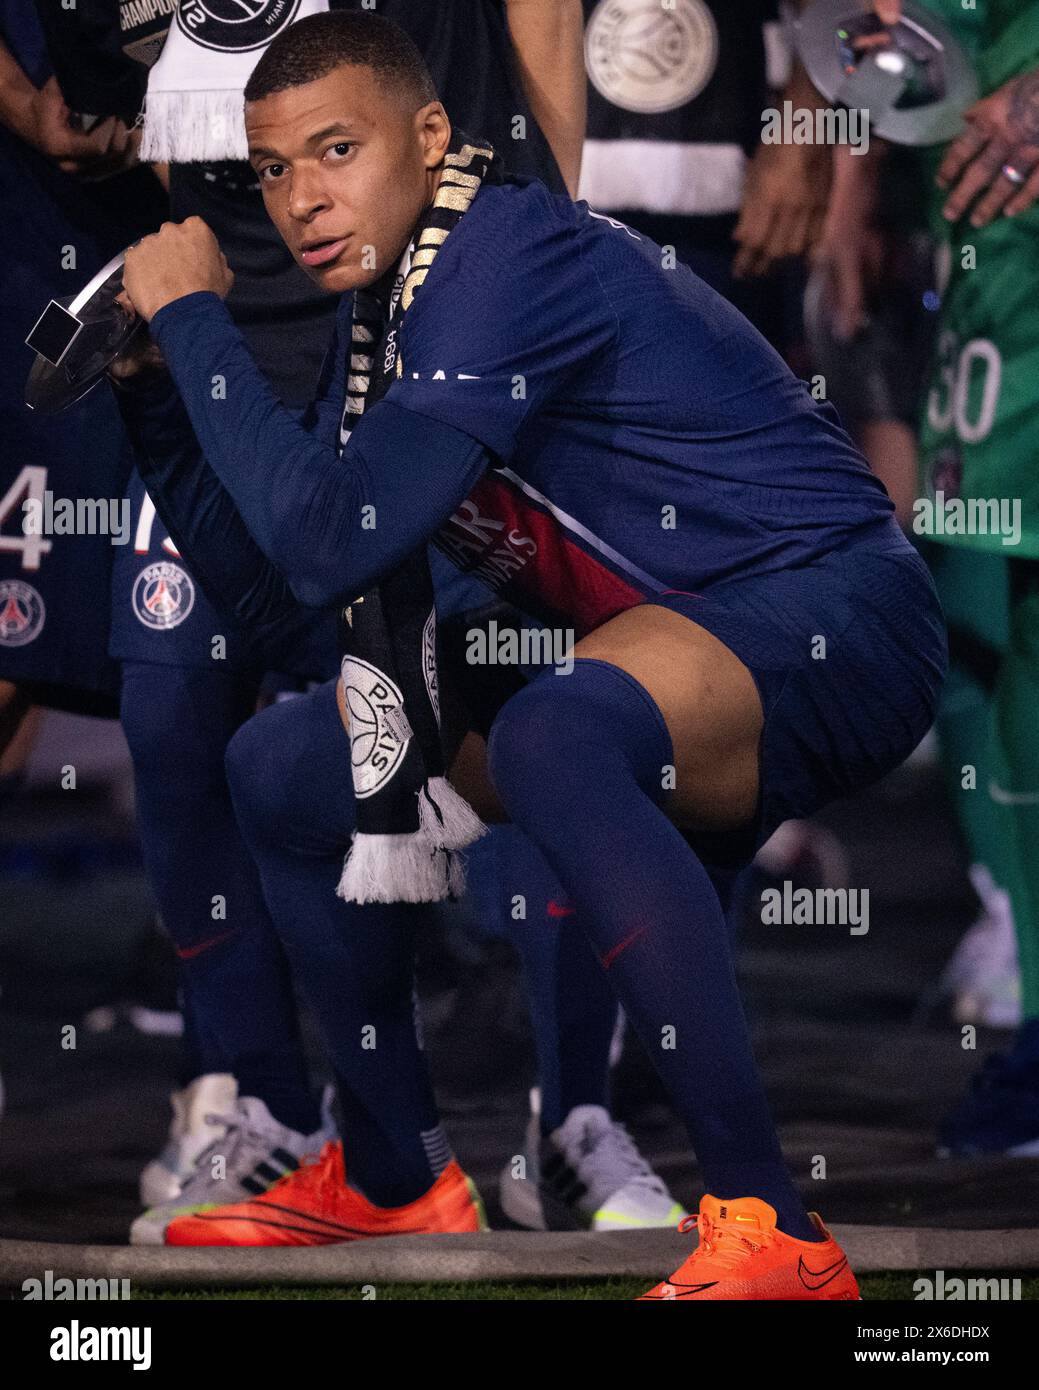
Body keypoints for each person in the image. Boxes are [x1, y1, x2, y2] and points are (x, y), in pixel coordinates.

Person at [111, 11, 944, 1298]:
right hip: (654, 633)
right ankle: (394, 1177)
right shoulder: (383, 306)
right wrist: (158, 391)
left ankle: (771, 1224)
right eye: (275, 169)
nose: (305, 199)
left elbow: (331, 543)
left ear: (433, 134)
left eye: (338, 149)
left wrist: (205, 329)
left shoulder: (498, 254)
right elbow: (289, 600)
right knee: (285, 764)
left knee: (558, 730)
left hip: (835, 616)